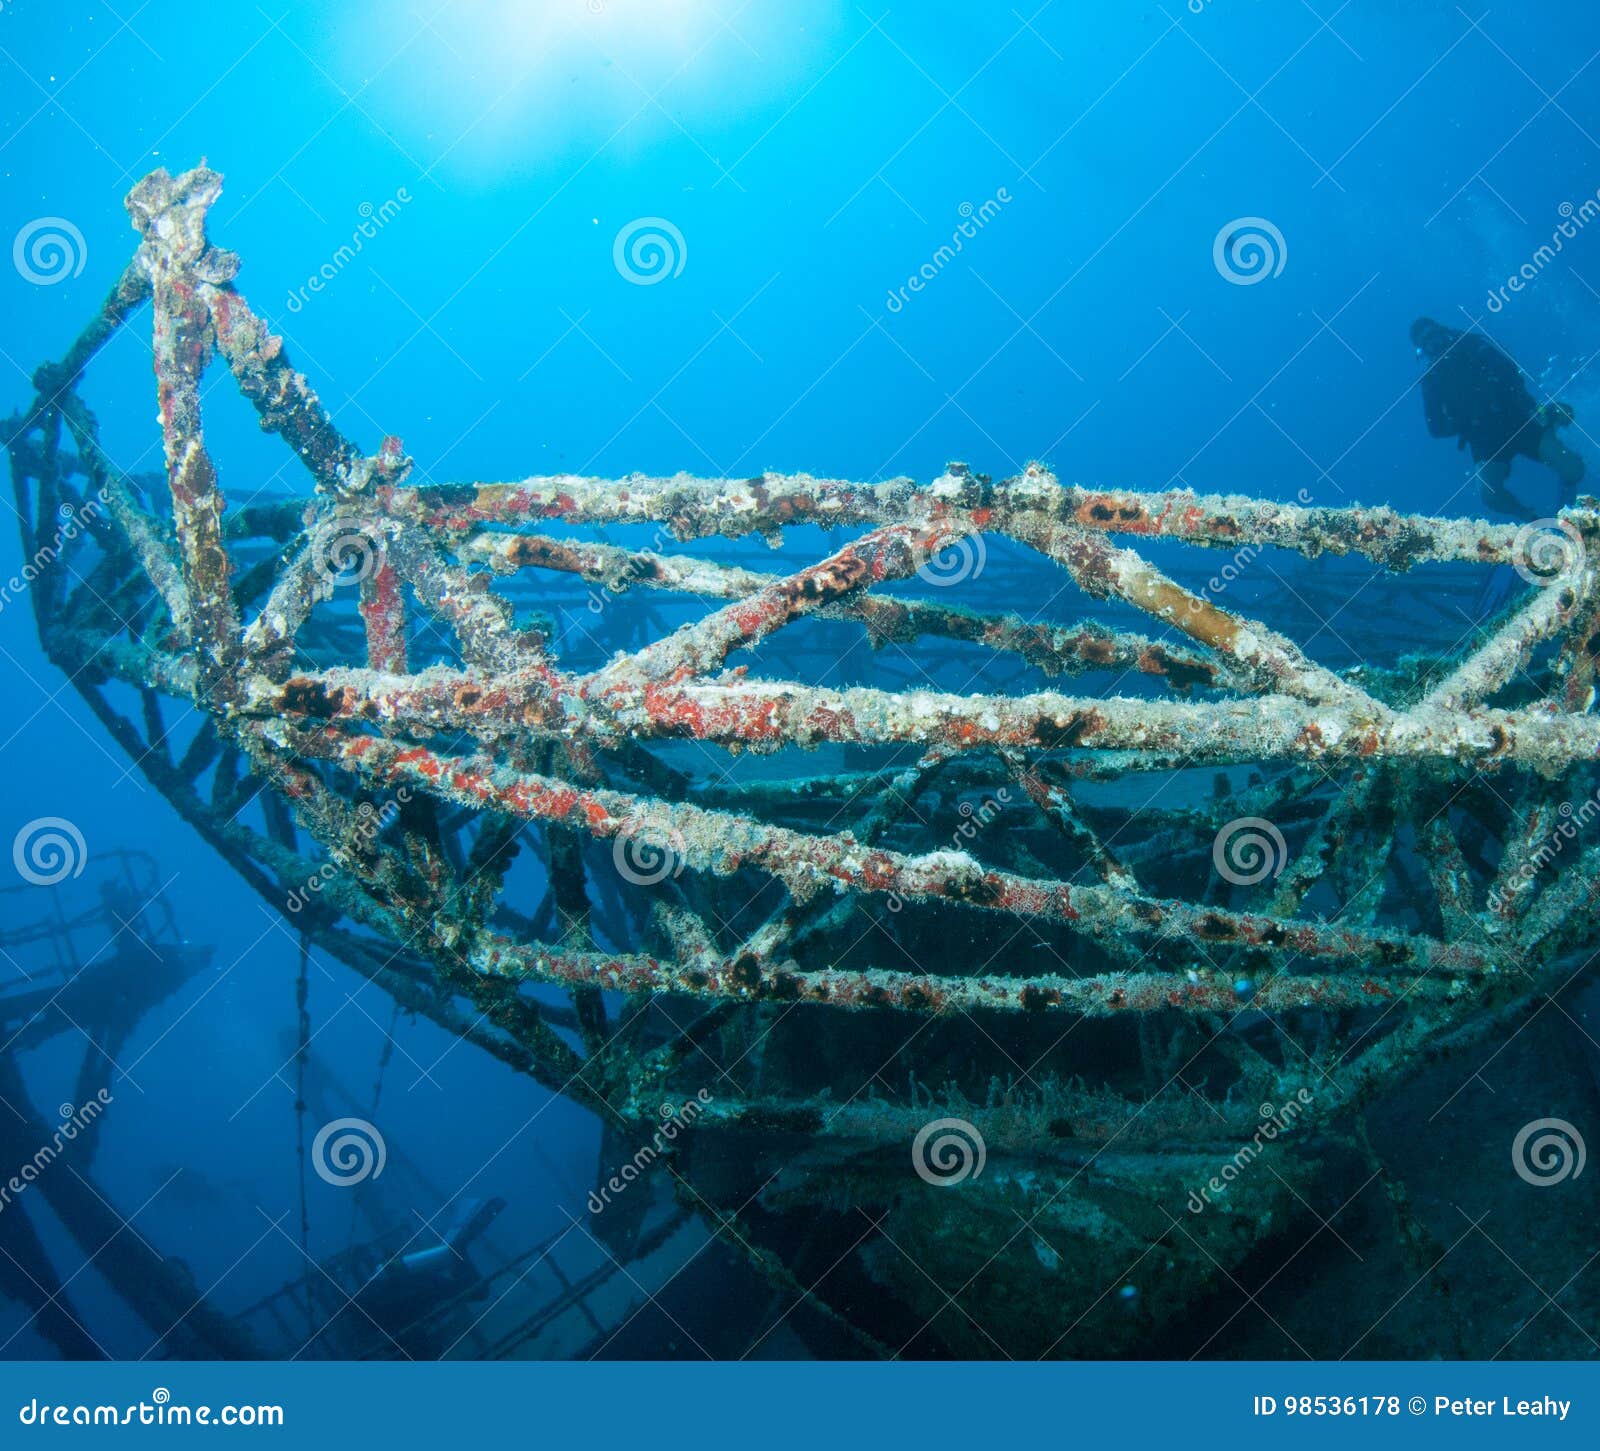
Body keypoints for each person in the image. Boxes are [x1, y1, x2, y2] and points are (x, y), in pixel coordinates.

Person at [1411, 316, 1584, 519]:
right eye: (1428, 343)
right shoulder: (1431, 379)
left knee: (1573, 469)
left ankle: (1570, 508)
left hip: (1517, 418)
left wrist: (1504, 399)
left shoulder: (1473, 345)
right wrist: (1468, 420)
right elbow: (1436, 428)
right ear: (1423, 351)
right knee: (1490, 495)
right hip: (1483, 437)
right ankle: (1534, 519)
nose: (1437, 344)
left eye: (1436, 336)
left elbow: (1511, 371)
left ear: (1446, 331)